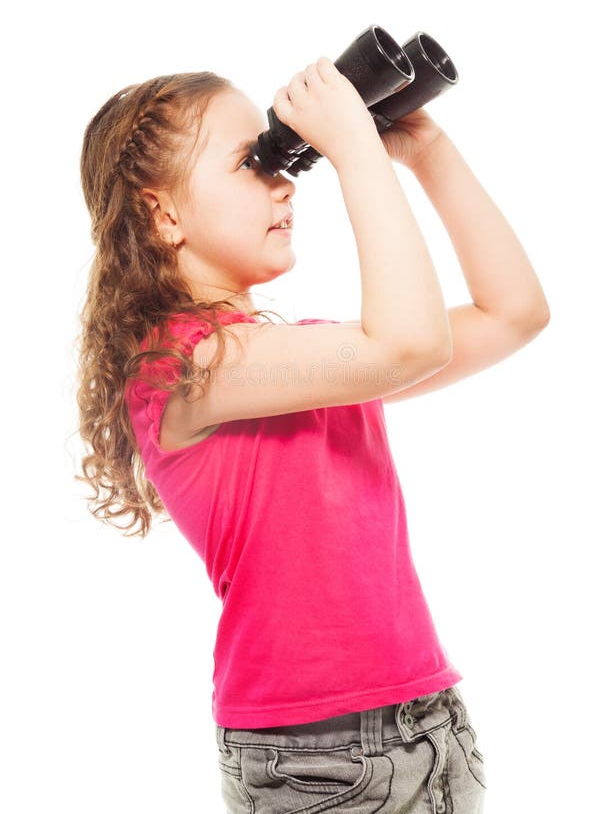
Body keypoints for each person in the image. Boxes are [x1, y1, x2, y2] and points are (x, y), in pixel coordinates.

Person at [75, 58, 550, 812]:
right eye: (250, 161)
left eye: (281, 159)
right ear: (163, 214)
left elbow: (513, 313)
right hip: (314, 758)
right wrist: (356, 149)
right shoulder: (187, 367)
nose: (285, 181)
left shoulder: (301, 359)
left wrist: (424, 152)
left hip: (428, 720)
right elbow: (407, 344)